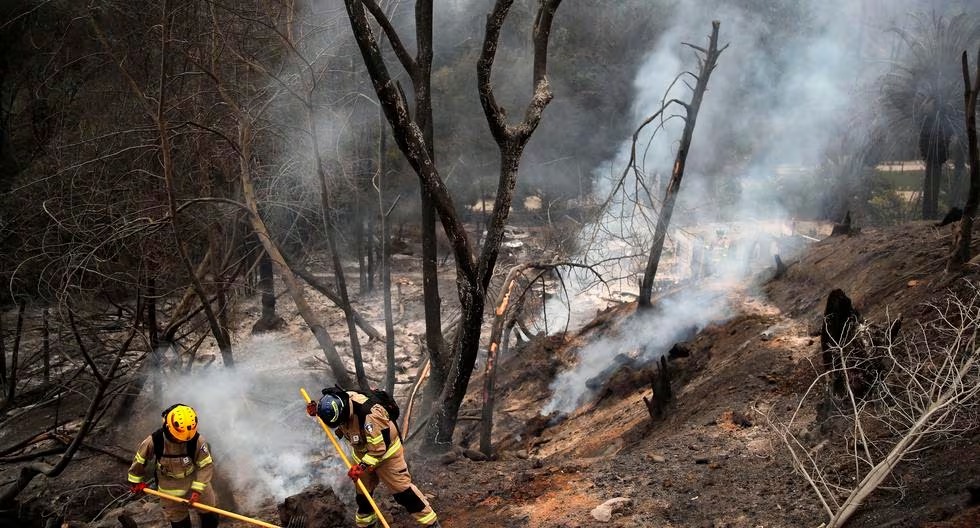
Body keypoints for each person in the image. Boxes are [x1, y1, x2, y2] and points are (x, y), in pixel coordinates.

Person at [307, 388, 440, 528]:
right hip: (362, 454)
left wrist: (361, 467)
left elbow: (379, 449)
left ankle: (431, 523)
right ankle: (367, 524)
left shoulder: (370, 414)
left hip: (387, 455)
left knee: (403, 493)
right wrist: (318, 412)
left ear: (343, 412)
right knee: (363, 495)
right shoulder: (337, 402)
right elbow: (332, 414)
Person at [127, 403, 219, 528]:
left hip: (196, 484)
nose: (182, 441)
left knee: (211, 518)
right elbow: (139, 460)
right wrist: (136, 482)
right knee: (180, 524)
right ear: (168, 427)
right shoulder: (155, 440)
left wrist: (197, 490)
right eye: (179, 437)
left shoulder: (197, 440)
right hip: (169, 491)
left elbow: (206, 465)